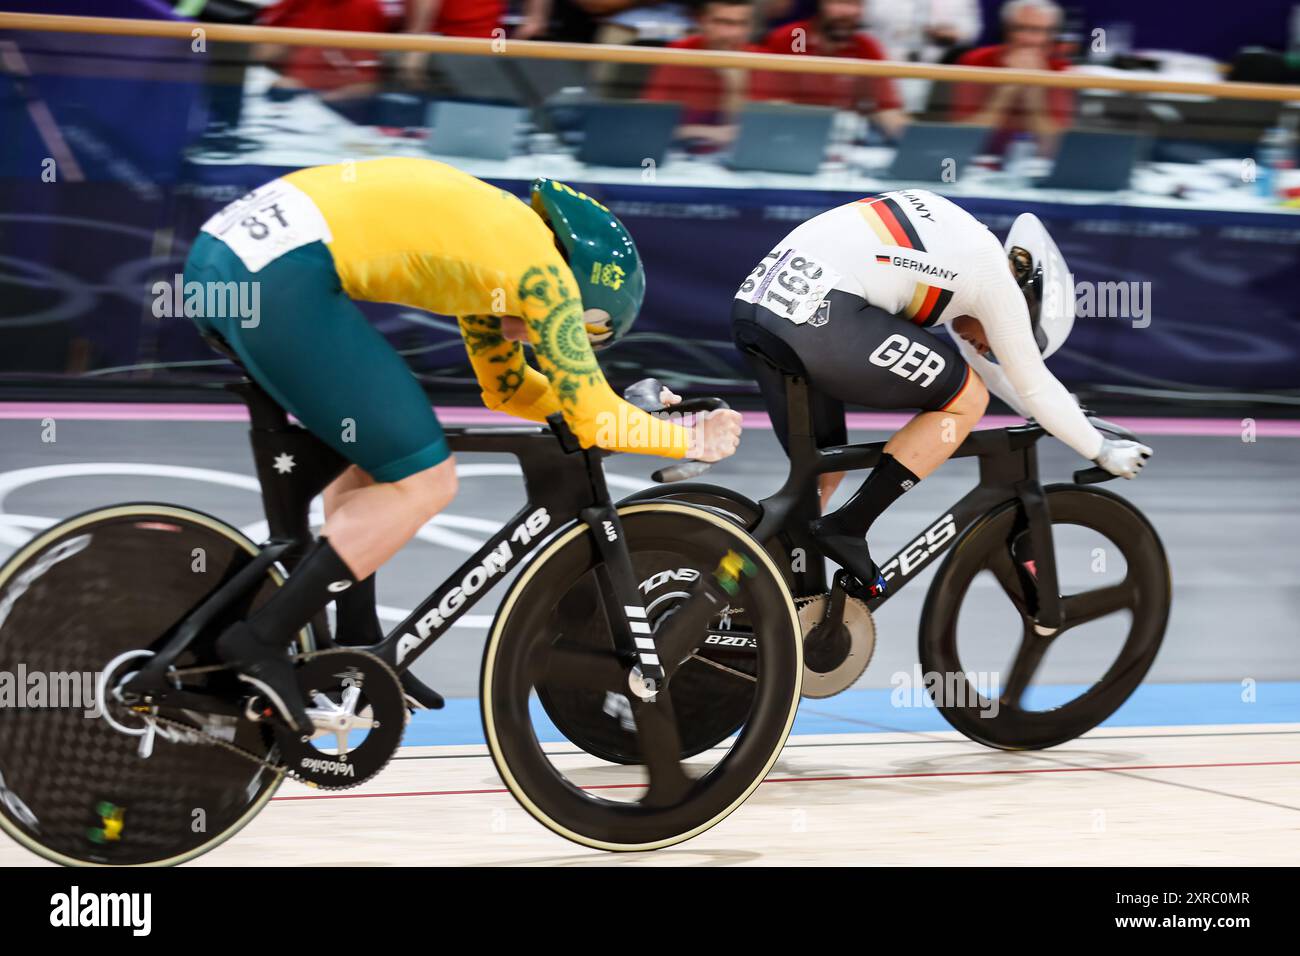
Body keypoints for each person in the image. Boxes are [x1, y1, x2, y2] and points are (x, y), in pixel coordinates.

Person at [183, 157, 743, 731]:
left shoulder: (502, 251)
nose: (550, 339)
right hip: (277, 272)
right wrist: (691, 438)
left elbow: (508, 389)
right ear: (583, 295)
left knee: (380, 455)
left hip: (227, 258)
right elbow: (594, 422)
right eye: (582, 332)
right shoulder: (543, 275)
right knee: (427, 479)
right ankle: (258, 642)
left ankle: (354, 643)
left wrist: (623, 414)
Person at [731, 188, 1150, 599]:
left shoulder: (962, 252)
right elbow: (1033, 384)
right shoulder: (994, 282)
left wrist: (1071, 417)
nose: (995, 348)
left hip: (759, 309)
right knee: (968, 400)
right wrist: (1101, 451)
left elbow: (1010, 381)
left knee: (816, 485)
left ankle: (736, 584)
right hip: (820, 317)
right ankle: (849, 527)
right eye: (1017, 338)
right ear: (1024, 305)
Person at [753, 0, 908, 139]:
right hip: (790, 136)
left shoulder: (864, 46)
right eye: (839, 2)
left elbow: (886, 110)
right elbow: (768, 105)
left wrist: (912, 138)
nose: (848, 12)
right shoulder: (795, 37)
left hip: (844, 143)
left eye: (856, 4)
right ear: (820, 4)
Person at [951, 0, 1074, 154]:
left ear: (1051, 36)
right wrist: (1006, 90)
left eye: (1039, 31)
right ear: (1006, 30)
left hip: (1034, 162)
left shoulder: (1060, 70)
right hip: (978, 159)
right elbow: (961, 138)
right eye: (1021, 29)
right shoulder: (975, 61)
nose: (1030, 39)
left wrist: (1034, 96)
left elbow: (1056, 148)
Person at [642, 0, 760, 145]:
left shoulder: (763, 59)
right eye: (721, 22)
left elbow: (773, 127)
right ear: (702, 22)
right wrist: (709, 133)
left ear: (751, 27)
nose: (730, 33)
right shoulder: (679, 54)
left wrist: (735, 88)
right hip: (681, 154)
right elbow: (652, 123)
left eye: (740, 24)